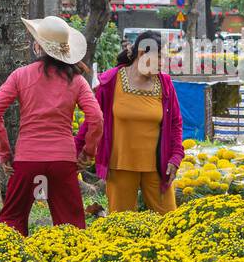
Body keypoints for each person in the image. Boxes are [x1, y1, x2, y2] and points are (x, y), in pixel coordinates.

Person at [0, 16, 102, 234]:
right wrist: (87, 153)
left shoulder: (20, 75)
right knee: (71, 225)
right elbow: (96, 117)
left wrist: (4, 154)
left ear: (37, 46)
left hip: (26, 159)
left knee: (12, 221)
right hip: (63, 160)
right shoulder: (77, 80)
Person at [77, 31, 184, 214]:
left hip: (158, 167)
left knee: (170, 220)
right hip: (120, 166)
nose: (162, 64)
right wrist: (79, 148)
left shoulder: (165, 83)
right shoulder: (111, 82)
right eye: (159, 58)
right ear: (142, 54)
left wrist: (176, 156)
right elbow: (94, 119)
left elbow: (175, 123)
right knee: (120, 224)